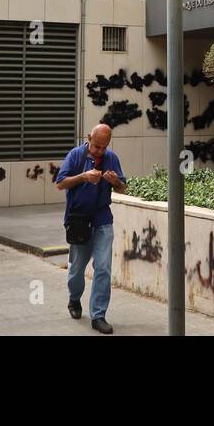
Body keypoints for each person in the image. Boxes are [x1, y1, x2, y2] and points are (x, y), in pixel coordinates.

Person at [54, 123, 126, 334]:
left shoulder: (111, 158)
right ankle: (74, 298)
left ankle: (98, 315)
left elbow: (123, 187)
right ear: (89, 138)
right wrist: (83, 177)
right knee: (77, 269)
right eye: (96, 147)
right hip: (79, 220)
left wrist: (115, 182)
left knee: (103, 268)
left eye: (104, 147)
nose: (99, 151)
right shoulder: (76, 155)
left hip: (103, 218)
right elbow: (60, 183)